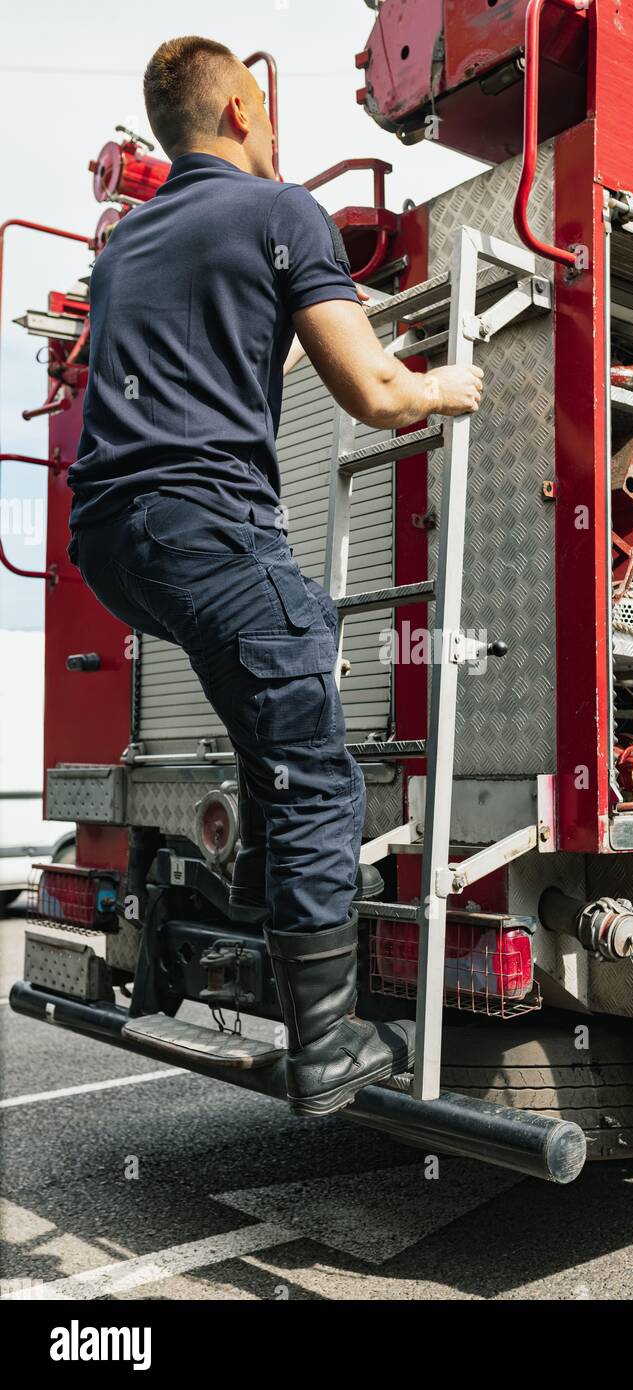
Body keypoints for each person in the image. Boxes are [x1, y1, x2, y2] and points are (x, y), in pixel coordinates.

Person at [67, 35, 484, 1115]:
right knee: (316, 759)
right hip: (209, 522)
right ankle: (324, 1045)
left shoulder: (127, 248)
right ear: (245, 111)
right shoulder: (282, 210)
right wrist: (449, 385)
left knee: (264, 727)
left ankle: (260, 895)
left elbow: (240, 352)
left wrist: (309, 316)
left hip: (114, 539)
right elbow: (376, 395)